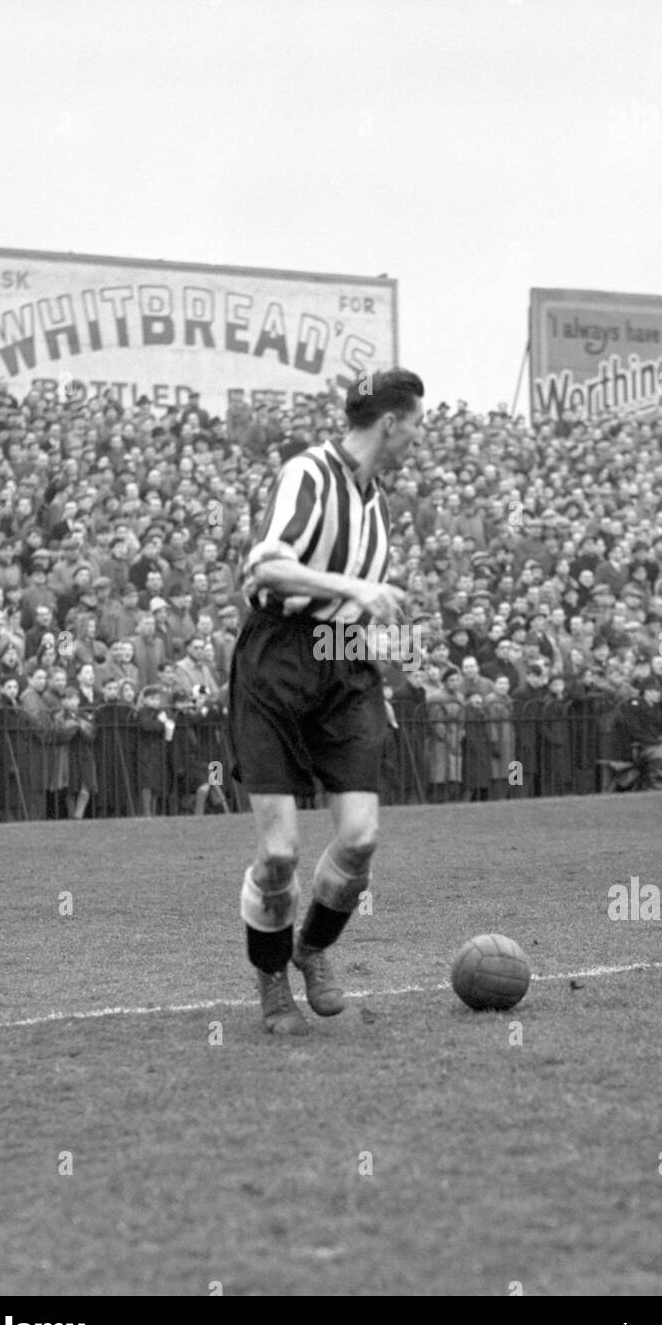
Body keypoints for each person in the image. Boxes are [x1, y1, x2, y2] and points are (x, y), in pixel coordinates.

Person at [227, 368, 425, 1035]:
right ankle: (271, 976)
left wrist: (373, 660)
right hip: (278, 656)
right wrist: (355, 589)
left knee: (361, 836)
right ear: (390, 423)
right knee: (279, 851)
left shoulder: (380, 502)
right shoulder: (309, 473)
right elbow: (264, 566)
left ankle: (312, 949)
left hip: (344, 663)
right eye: (416, 425)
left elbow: (355, 601)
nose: (417, 439)